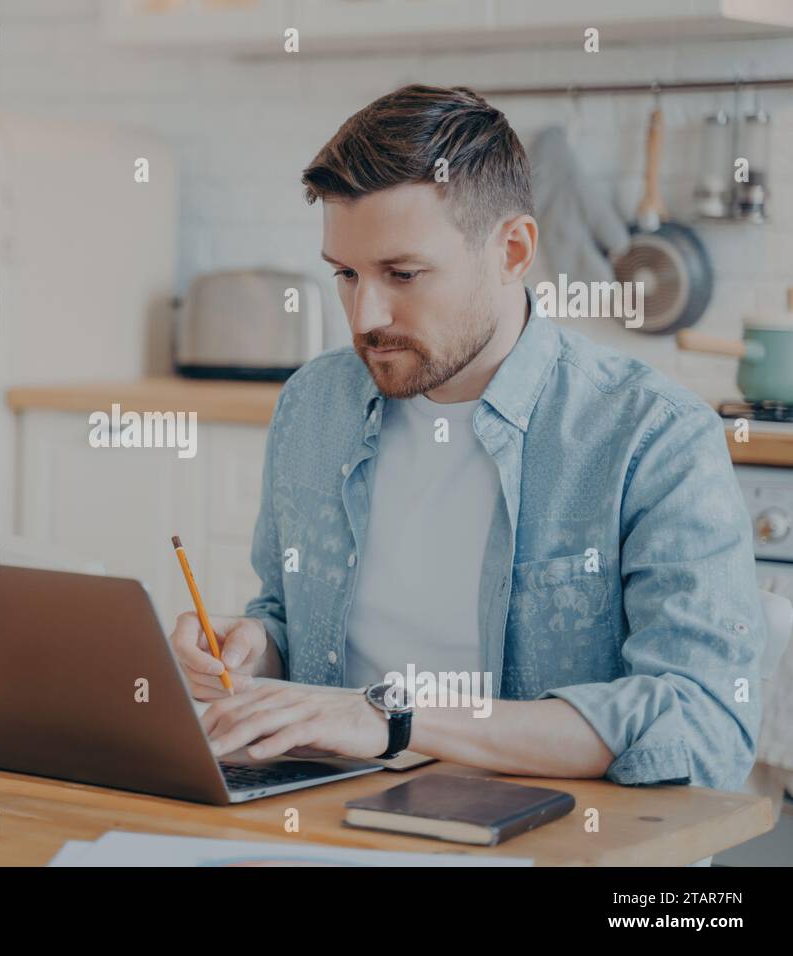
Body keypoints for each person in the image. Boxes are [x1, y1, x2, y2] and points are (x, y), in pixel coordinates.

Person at [169, 84, 765, 791]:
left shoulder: (649, 434)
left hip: (537, 832)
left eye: (403, 274)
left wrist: (395, 717)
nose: (364, 317)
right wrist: (252, 649)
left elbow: (703, 726)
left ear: (512, 250)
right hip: (328, 814)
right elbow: (291, 622)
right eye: (346, 275)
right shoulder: (313, 405)